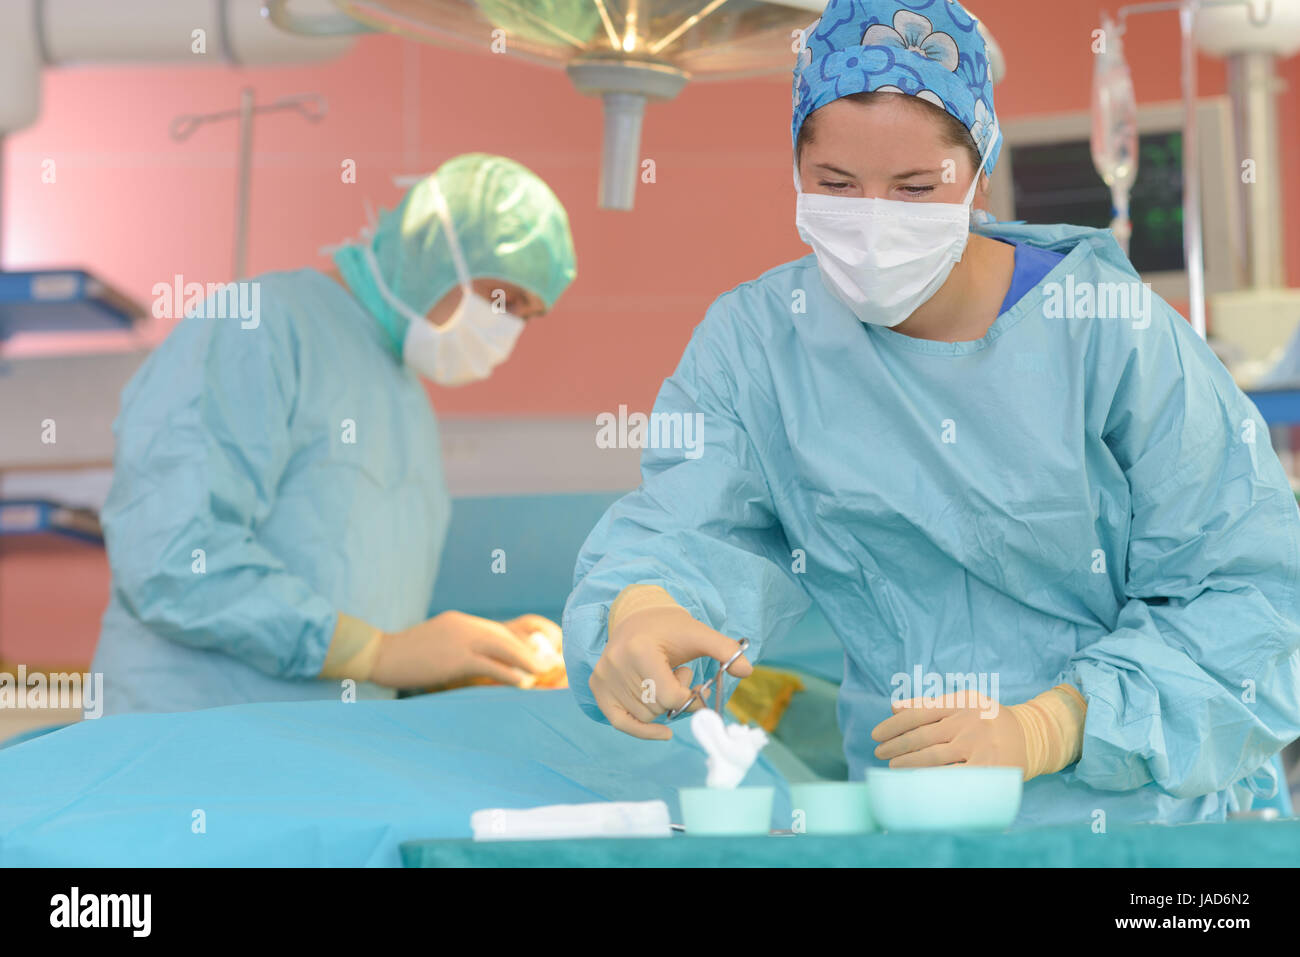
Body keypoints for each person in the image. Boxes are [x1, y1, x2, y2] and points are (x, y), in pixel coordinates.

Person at [561, 0, 1300, 827]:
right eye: (836, 186)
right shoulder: (760, 345)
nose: (874, 221)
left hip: (1136, 834)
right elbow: (690, 527)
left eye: (915, 189)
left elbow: (1256, 596)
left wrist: (1053, 725)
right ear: (796, 168)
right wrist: (642, 608)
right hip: (909, 821)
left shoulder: (1105, 332)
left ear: (976, 170)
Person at [93, 153, 577, 715]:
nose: (509, 326)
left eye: (528, 314)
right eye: (504, 298)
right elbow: (172, 557)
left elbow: (359, 607)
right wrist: (378, 653)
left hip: (318, 757)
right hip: (189, 749)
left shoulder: (407, 402)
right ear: (433, 250)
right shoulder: (263, 327)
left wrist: (461, 661)